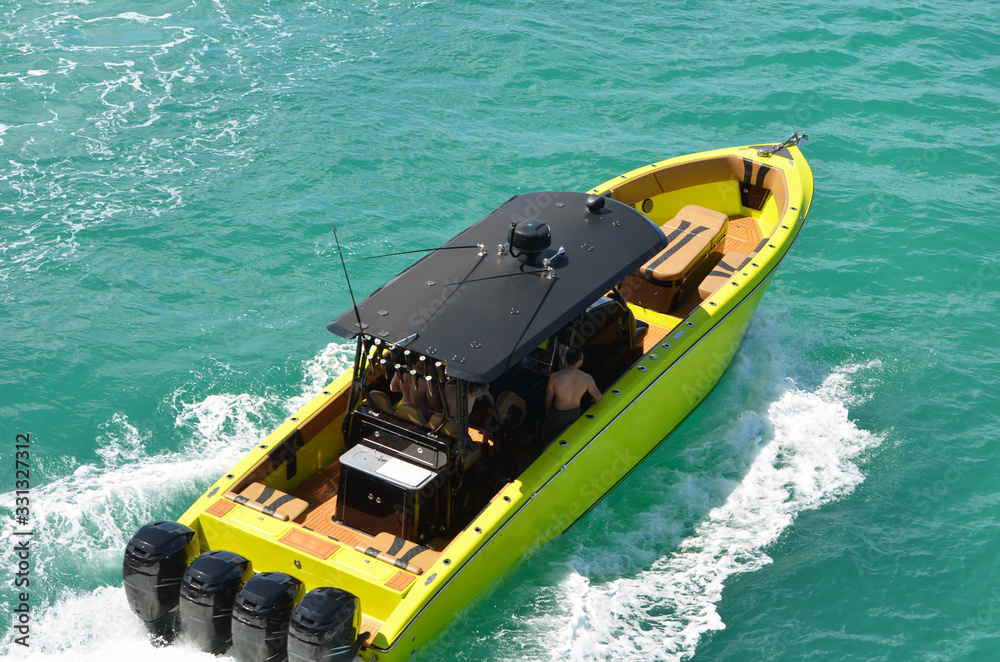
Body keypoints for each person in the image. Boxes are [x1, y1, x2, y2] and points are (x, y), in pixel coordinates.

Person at [542, 348, 602, 442]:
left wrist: (548, 413)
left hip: (558, 416)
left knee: (550, 440)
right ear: (578, 362)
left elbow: (547, 400)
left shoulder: (555, 377)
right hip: (575, 414)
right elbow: (599, 399)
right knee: (571, 439)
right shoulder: (587, 378)